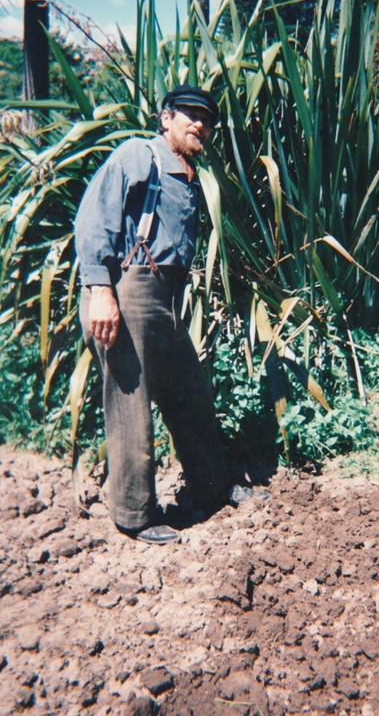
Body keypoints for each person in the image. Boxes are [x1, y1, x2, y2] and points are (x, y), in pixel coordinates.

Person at [75, 84, 232, 544]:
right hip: (127, 287)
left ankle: (213, 489)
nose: (199, 124)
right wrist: (101, 291)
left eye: (206, 119)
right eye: (189, 115)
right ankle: (134, 514)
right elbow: (92, 219)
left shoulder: (189, 175)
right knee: (130, 402)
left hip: (163, 295)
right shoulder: (138, 156)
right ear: (166, 119)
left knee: (189, 392)